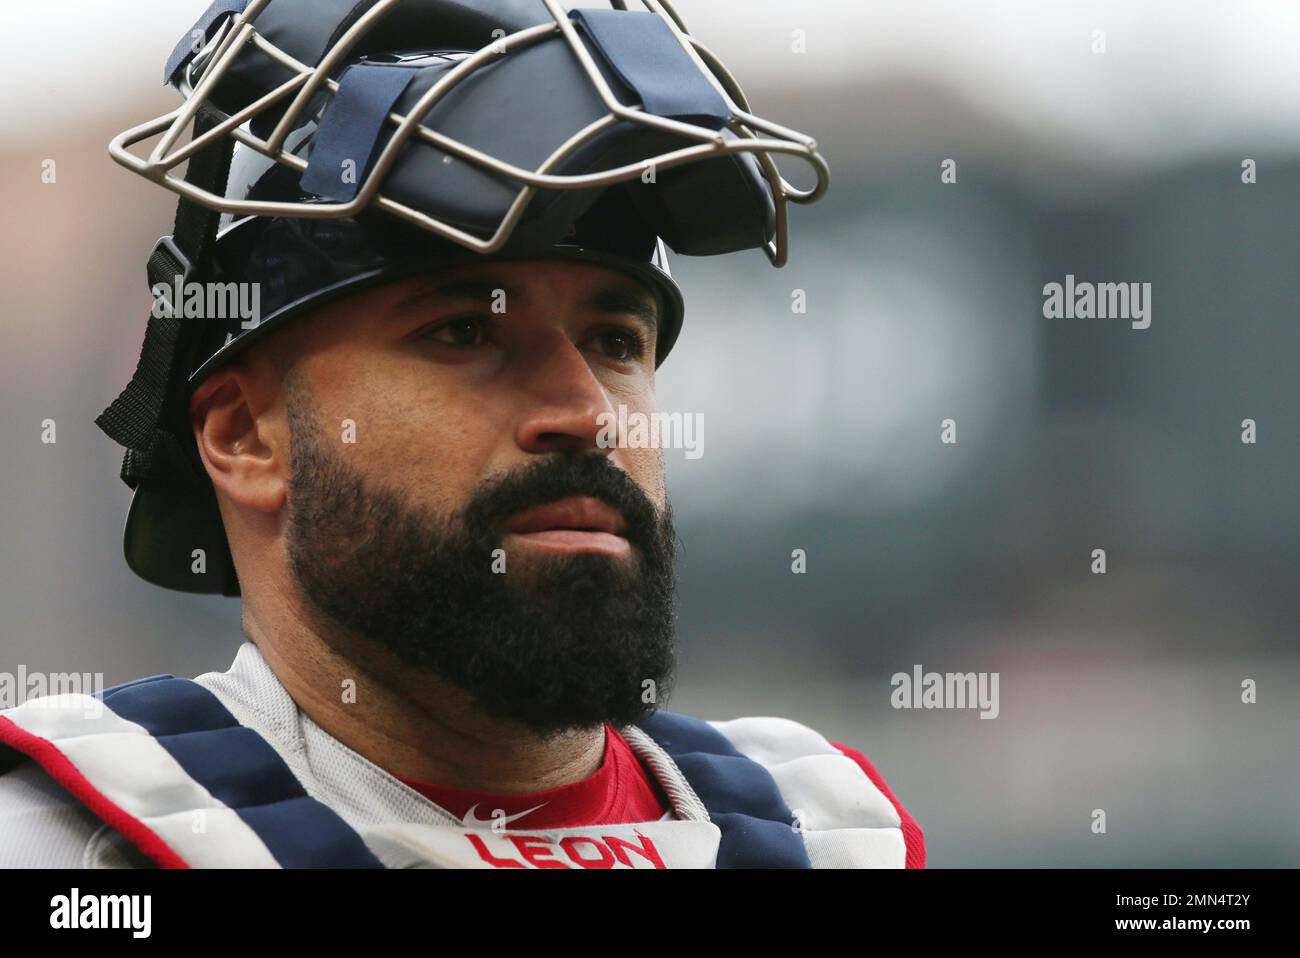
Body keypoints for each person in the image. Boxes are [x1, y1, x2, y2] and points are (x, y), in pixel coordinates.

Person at [0, 0, 922, 869]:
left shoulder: (825, 836)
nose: (588, 412)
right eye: (464, 332)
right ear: (246, 437)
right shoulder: (71, 845)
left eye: (613, 341)